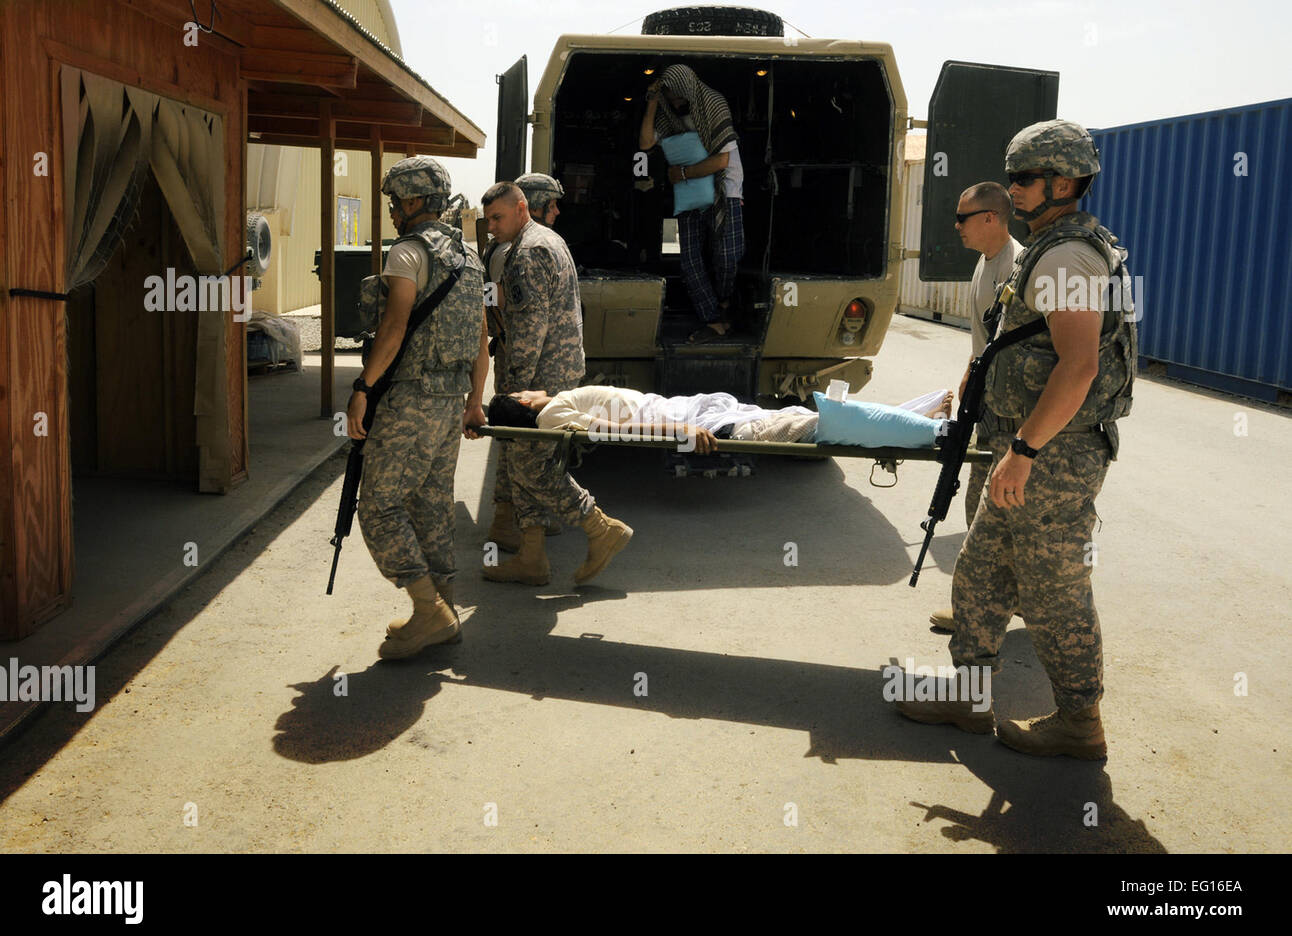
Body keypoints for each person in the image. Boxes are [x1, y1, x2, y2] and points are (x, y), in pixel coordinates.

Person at [896, 119, 1136, 760]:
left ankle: (1080, 723)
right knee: (980, 571)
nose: (1014, 189)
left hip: (1055, 455)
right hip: (1028, 448)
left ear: (1064, 182)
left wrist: (1024, 451)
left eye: (1025, 179)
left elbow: (1079, 365)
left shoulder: (1064, 258)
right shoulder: (1053, 248)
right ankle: (970, 700)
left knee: (1054, 587)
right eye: (1013, 176)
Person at [347, 157, 488, 660]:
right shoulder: (469, 258)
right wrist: (474, 402)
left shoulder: (408, 253)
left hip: (410, 398)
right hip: (450, 404)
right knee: (431, 505)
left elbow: (395, 325)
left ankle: (428, 610)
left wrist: (364, 385)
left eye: (393, 201)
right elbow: (480, 340)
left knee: (380, 506)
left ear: (412, 202)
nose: (390, 211)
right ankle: (443, 611)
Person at [479, 182, 633, 586]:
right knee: (523, 462)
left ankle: (601, 528)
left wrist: (512, 393)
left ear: (521, 208)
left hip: (540, 376)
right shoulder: (546, 240)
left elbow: (530, 329)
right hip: (558, 371)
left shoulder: (528, 253)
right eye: (488, 220)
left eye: (497, 218)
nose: (491, 227)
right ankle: (532, 558)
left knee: (531, 468)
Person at [929, 181, 1025, 635]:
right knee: (984, 508)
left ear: (991, 218)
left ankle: (982, 615)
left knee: (988, 512)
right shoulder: (984, 263)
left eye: (963, 218)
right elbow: (984, 340)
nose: (956, 226)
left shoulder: (1019, 266)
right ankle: (997, 606)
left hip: (1013, 413)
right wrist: (968, 378)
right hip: (986, 403)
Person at [638, 64, 745, 343]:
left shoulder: (713, 104)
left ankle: (724, 304)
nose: (674, 101)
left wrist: (682, 173)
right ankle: (713, 320)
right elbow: (646, 142)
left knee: (728, 255)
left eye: (678, 95)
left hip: (725, 191)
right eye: (669, 96)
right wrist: (653, 102)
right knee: (688, 262)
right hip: (688, 195)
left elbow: (722, 160)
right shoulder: (668, 113)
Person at [487, 386, 954, 449]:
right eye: (522, 391)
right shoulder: (551, 416)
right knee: (817, 426)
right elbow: (616, 431)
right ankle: (932, 429)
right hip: (703, 421)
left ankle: (917, 416)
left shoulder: (553, 410)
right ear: (523, 403)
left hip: (701, 410)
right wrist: (682, 433)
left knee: (804, 417)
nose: (533, 388)